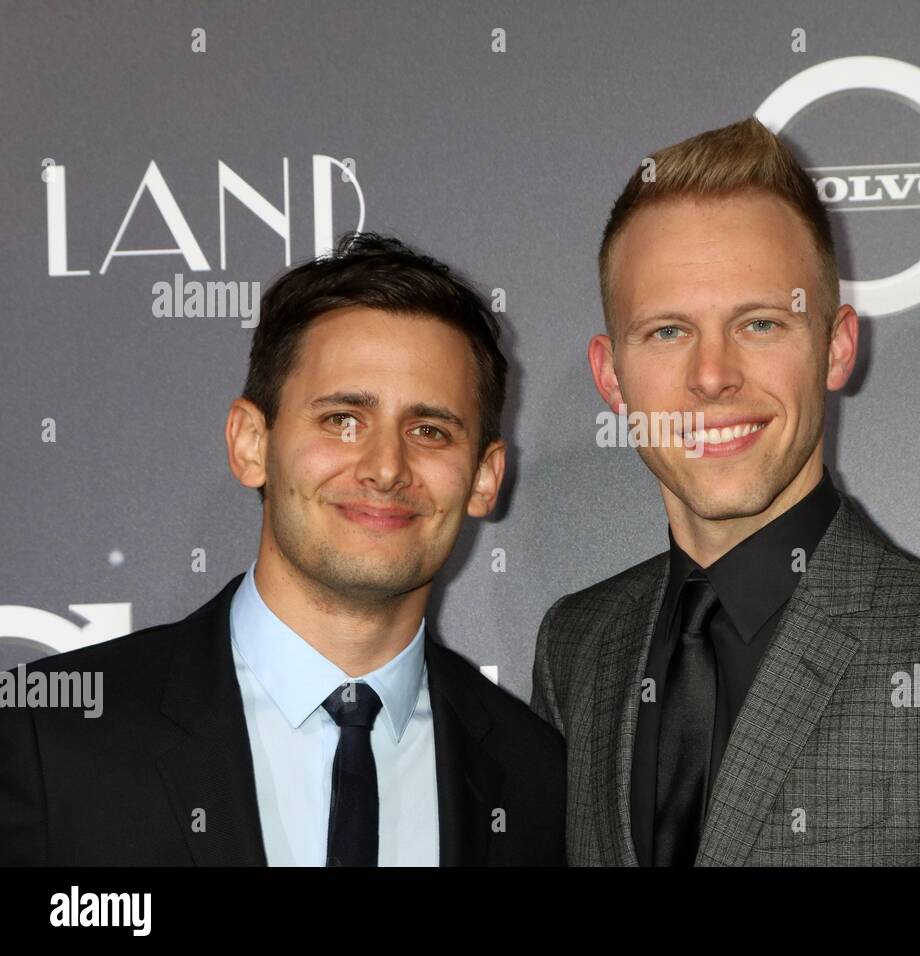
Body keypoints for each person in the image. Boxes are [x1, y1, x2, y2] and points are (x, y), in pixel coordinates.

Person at [530, 118, 920, 866]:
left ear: (837, 347)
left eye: (758, 323)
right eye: (666, 332)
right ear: (611, 376)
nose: (713, 374)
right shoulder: (578, 646)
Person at [0, 233, 564, 866]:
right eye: (341, 420)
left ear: (485, 478)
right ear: (250, 444)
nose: (385, 469)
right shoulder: (49, 740)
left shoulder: (540, 781)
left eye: (429, 430)